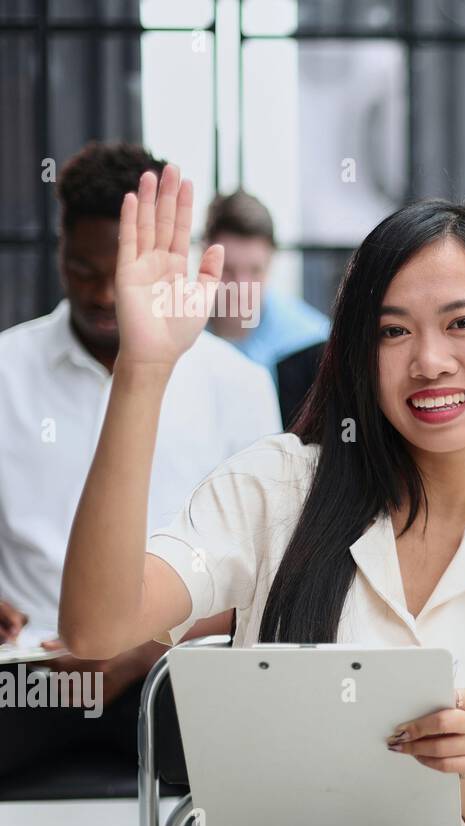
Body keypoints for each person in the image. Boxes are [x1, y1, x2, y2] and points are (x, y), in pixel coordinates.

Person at [59, 164, 465, 826]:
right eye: (393, 332)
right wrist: (142, 371)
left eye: (462, 323)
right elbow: (97, 628)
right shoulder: (275, 486)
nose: (429, 361)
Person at [0, 143, 279, 784]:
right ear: (60, 250)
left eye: (118, 271)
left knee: (247, 781)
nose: (102, 293)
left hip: (176, 669)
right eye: (81, 268)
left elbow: (264, 570)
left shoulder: (234, 383)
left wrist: (137, 648)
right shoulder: (10, 370)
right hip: (30, 673)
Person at [202, 189, 330, 377]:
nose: (241, 288)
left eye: (255, 271)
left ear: (271, 260)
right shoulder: (178, 333)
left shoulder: (313, 341)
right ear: (204, 255)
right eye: (227, 270)